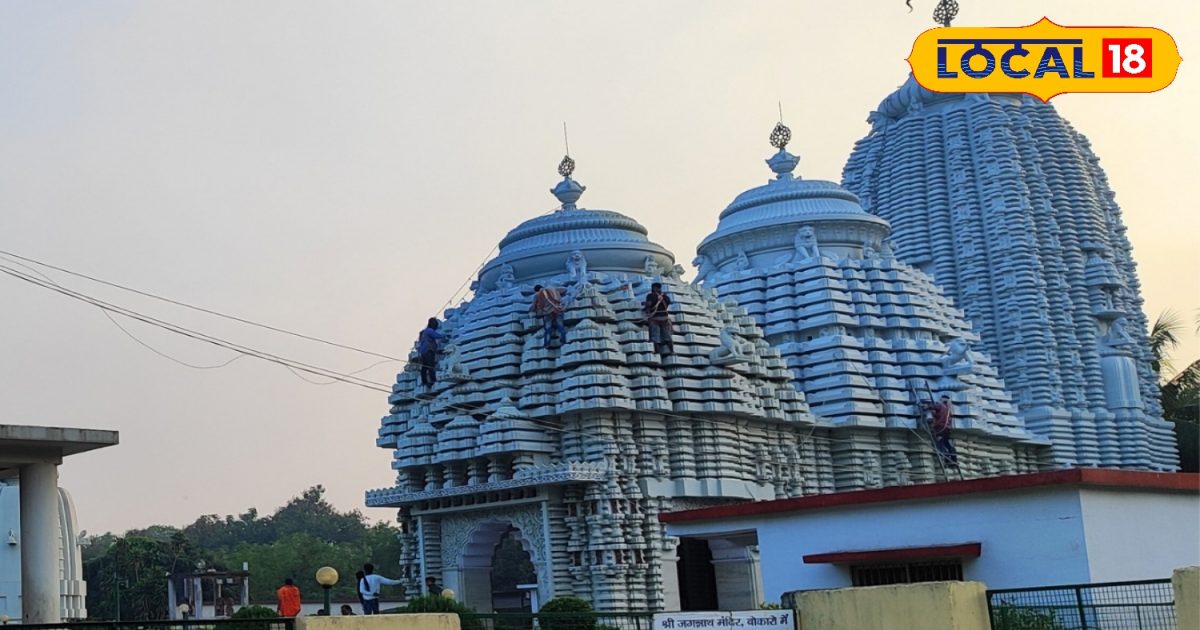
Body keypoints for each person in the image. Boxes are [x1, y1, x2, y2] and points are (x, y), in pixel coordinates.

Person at [642, 282, 674, 355]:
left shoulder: (651, 295)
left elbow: (649, 304)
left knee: (655, 337)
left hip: (655, 319)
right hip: (665, 318)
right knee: (667, 336)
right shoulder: (665, 297)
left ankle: (658, 353)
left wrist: (645, 306)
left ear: (654, 288)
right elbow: (668, 304)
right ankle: (672, 351)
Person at [929, 395, 959, 466]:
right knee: (947, 443)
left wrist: (926, 407)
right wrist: (935, 415)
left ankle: (947, 459)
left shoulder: (941, 405)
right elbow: (942, 416)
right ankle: (953, 459)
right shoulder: (948, 409)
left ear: (942, 400)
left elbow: (934, 407)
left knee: (941, 443)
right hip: (947, 428)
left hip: (940, 427)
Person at [417, 318, 446, 388]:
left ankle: (424, 381)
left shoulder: (425, 332)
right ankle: (433, 380)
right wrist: (444, 335)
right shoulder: (429, 330)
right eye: (435, 324)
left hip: (423, 352)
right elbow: (436, 335)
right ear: (433, 324)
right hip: (428, 351)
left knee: (424, 367)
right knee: (431, 366)